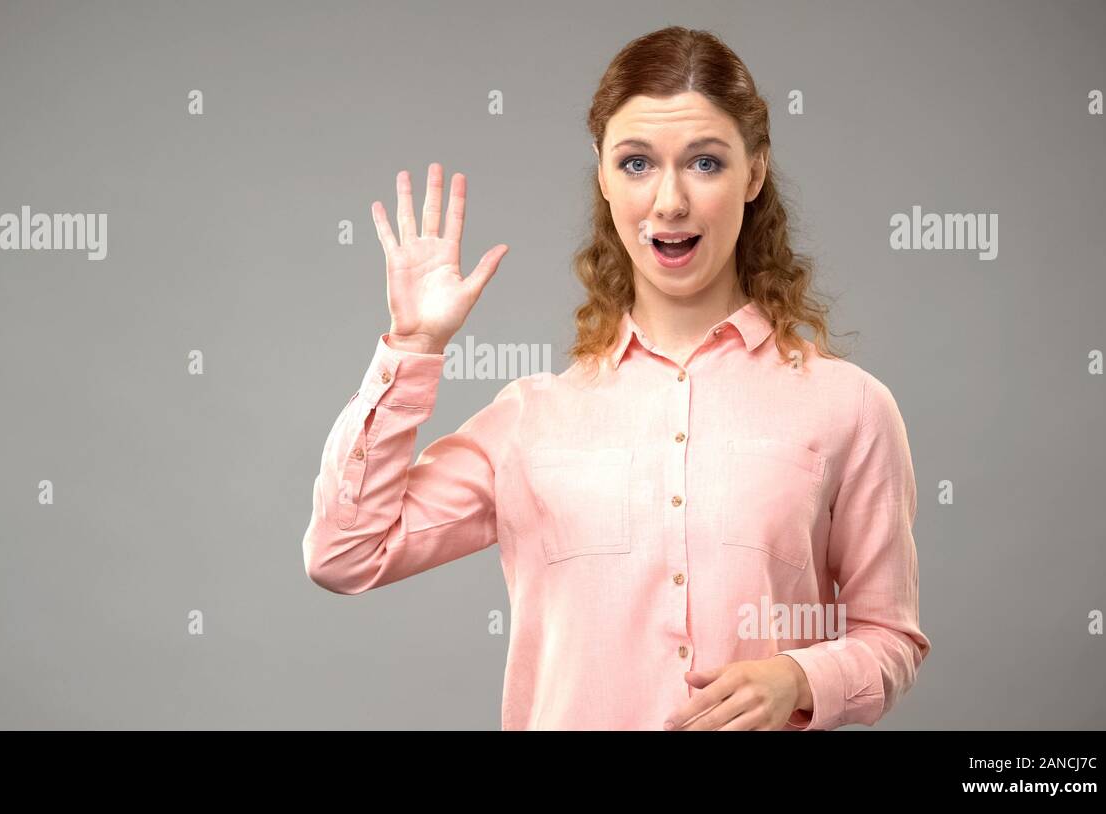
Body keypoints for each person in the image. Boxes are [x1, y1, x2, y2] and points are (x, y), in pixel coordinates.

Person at [302, 25, 929, 730]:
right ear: (602, 175)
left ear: (753, 174)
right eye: (636, 163)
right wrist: (413, 345)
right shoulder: (529, 421)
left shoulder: (851, 406)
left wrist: (799, 676)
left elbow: (890, 638)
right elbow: (345, 553)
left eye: (704, 163)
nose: (668, 202)